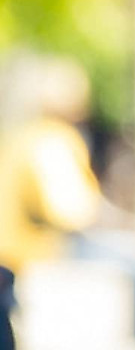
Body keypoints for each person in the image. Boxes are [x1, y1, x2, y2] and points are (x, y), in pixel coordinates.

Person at [0, 57, 101, 275]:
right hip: (32, 255)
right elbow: (67, 210)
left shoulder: (23, 136)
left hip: (10, 254)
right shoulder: (52, 140)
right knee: (131, 262)